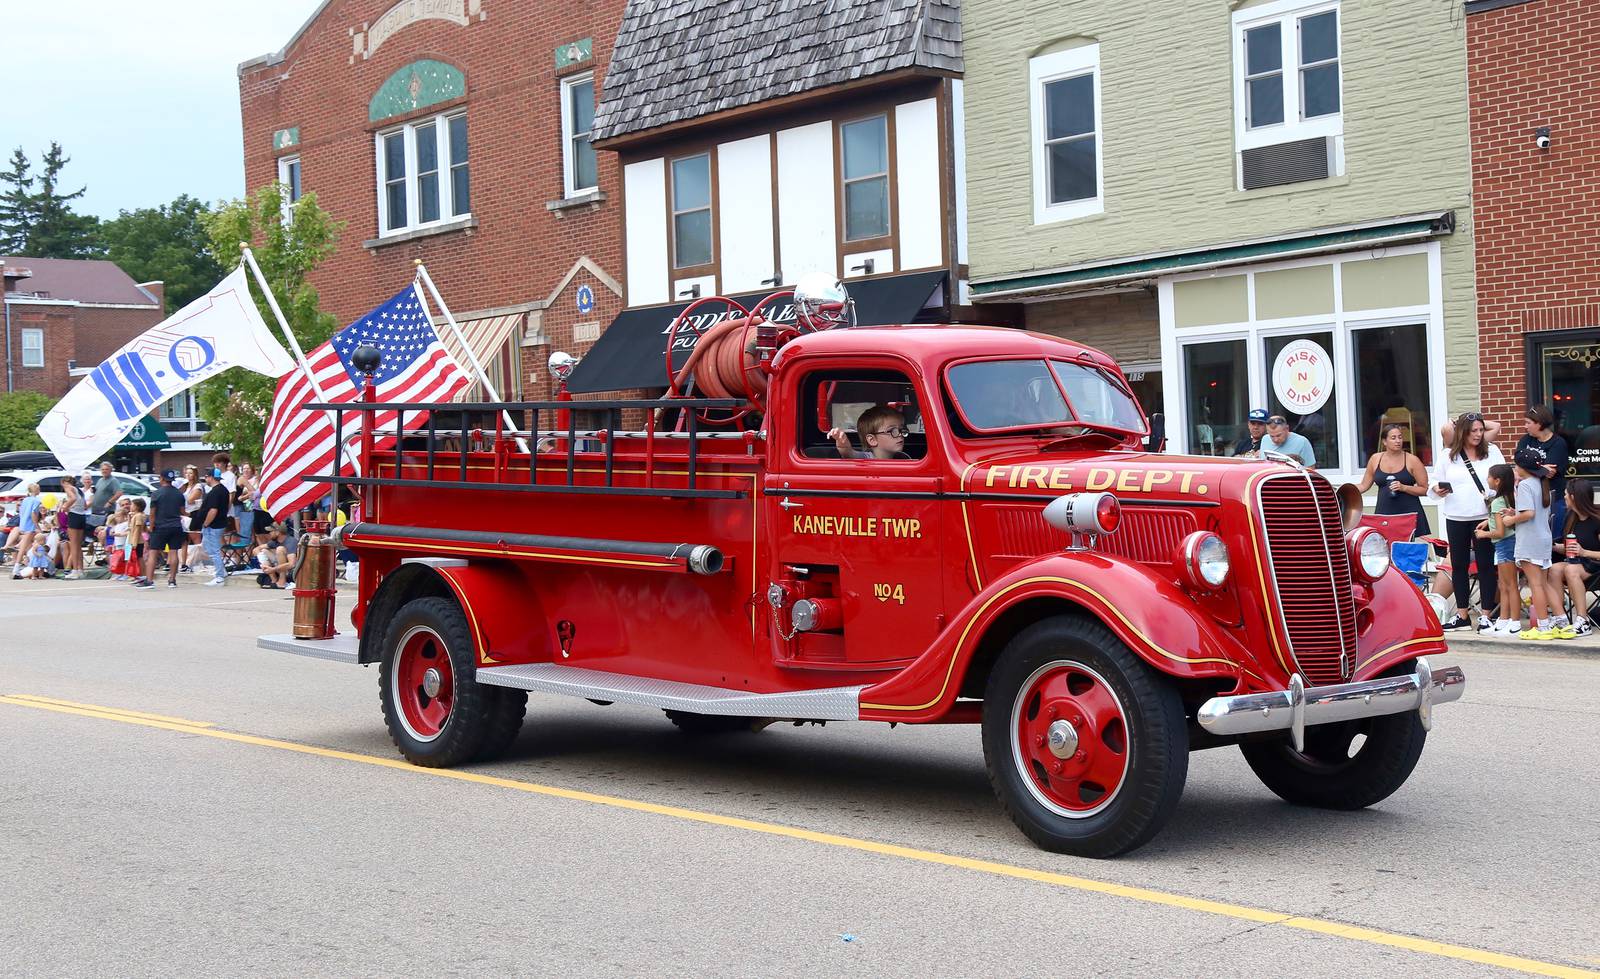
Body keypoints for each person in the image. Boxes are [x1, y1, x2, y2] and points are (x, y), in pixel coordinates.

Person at [1432, 411, 1505, 631]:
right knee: (1459, 566)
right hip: (1455, 516)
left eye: (1481, 430)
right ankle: (1462, 615)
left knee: (1486, 565)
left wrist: (1496, 496)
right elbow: (1433, 483)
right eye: (1473, 430)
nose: (1478, 434)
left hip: (1484, 516)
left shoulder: (1492, 452)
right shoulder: (1448, 455)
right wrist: (1437, 489)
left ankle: (1486, 616)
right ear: (1462, 432)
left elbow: (1505, 479)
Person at [1505, 446, 1566, 640]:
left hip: (1529, 540)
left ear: (1522, 467)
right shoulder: (1541, 482)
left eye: (1516, 465)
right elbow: (1534, 511)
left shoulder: (1524, 485)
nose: (1515, 468)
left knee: (1535, 585)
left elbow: (1528, 513)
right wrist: (1515, 513)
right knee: (1545, 583)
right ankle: (1562, 622)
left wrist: (1510, 520)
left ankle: (1543, 626)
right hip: (1544, 538)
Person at [1357, 422, 1431, 538]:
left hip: (1408, 513)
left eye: (1400, 437)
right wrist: (1345, 491)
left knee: (1406, 551)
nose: (1398, 441)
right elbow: (1364, 486)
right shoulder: (1375, 459)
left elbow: (1425, 489)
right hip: (1384, 512)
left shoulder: (1412, 460)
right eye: (1393, 438)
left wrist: (1404, 487)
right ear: (1384, 441)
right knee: (1383, 549)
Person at [1475, 464, 1520, 635]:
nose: (1487, 479)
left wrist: (1483, 534)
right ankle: (1503, 620)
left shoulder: (1497, 502)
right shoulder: (1508, 498)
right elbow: (1500, 521)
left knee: (1510, 585)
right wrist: (1488, 521)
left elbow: (1500, 532)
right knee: (1503, 585)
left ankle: (1514, 623)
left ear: (1497, 481)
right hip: (1504, 545)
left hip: (1504, 545)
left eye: (1489, 476)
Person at [1552, 478, 1599, 639]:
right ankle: (1561, 618)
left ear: (1574, 496)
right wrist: (1553, 546)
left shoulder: (1597, 520)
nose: (1564, 497)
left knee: (1570, 569)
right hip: (1578, 562)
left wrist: (1584, 552)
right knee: (1553, 569)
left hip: (1595, 564)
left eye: (1566, 494)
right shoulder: (1571, 517)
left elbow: (1582, 550)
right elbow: (1570, 548)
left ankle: (1583, 620)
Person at [1516, 405, 1570, 541]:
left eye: (1528, 423)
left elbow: (1549, 472)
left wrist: (1528, 469)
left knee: (1553, 538)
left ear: (1539, 423)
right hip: (1529, 500)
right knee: (1532, 539)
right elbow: (1518, 466)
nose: (1525, 426)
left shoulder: (1558, 443)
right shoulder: (1526, 440)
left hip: (1552, 499)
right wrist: (1540, 469)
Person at [138, 470, 186, 590]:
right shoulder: (179, 494)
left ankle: (149, 580)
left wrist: (151, 526)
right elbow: (182, 511)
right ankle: (172, 580)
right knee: (173, 552)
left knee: (153, 552)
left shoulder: (156, 494)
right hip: (176, 526)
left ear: (161, 479)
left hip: (160, 526)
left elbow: (153, 513)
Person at [827, 405, 910, 460]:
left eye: (901, 429)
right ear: (872, 440)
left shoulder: (903, 457)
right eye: (892, 430)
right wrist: (844, 446)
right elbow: (851, 455)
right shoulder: (867, 458)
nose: (900, 434)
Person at [197, 468, 232, 587]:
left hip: (213, 525)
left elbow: (213, 510)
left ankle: (219, 577)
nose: (206, 479)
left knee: (213, 551)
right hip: (220, 523)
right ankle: (222, 571)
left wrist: (206, 523)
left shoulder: (215, 492)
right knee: (209, 548)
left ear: (211, 477)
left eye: (206, 477)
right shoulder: (224, 490)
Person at [10, 483, 42, 580]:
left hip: (23, 524)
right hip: (30, 525)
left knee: (24, 546)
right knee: (24, 547)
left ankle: (22, 565)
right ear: (35, 490)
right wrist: (36, 526)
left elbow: (22, 512)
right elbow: (33, 513)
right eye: (38, 488)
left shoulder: (25, 500)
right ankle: (16, 570)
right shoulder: (36, 500)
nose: (39, 490)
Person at [60, 474, 87, 579]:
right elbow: (84, 505)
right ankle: (80, 569)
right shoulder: (79, 490)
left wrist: (65, 506)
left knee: (73, 545)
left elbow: (73, 498)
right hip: (82, 516)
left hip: (74, 515)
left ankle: (75, 570)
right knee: (78, 545)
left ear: (64, 483)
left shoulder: (68, 487)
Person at [255, 523, 298, 588]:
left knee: (280, 549)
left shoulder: (291, 541)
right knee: (263, 551)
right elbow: (257, 549)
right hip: (279, 569)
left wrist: (273, 569)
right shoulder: (275, 541)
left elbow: (292, 564)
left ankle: (282, 582)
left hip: (293, 571)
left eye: (271, 531)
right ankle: (274, 580)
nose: (269, 533)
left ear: (277, 532)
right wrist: (263, 565)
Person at [123, 498, 149, 588]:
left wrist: (134, 542)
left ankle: (143, 575)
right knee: (135, 558)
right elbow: (130, 527)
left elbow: (137, 530)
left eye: (132, 505)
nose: (131, 506)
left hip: (137, 541)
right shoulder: (135, 515)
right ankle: (138, 575)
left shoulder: (139, 516)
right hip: (132, 539)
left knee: (139, 558)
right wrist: (130, 518)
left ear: (137, 507)